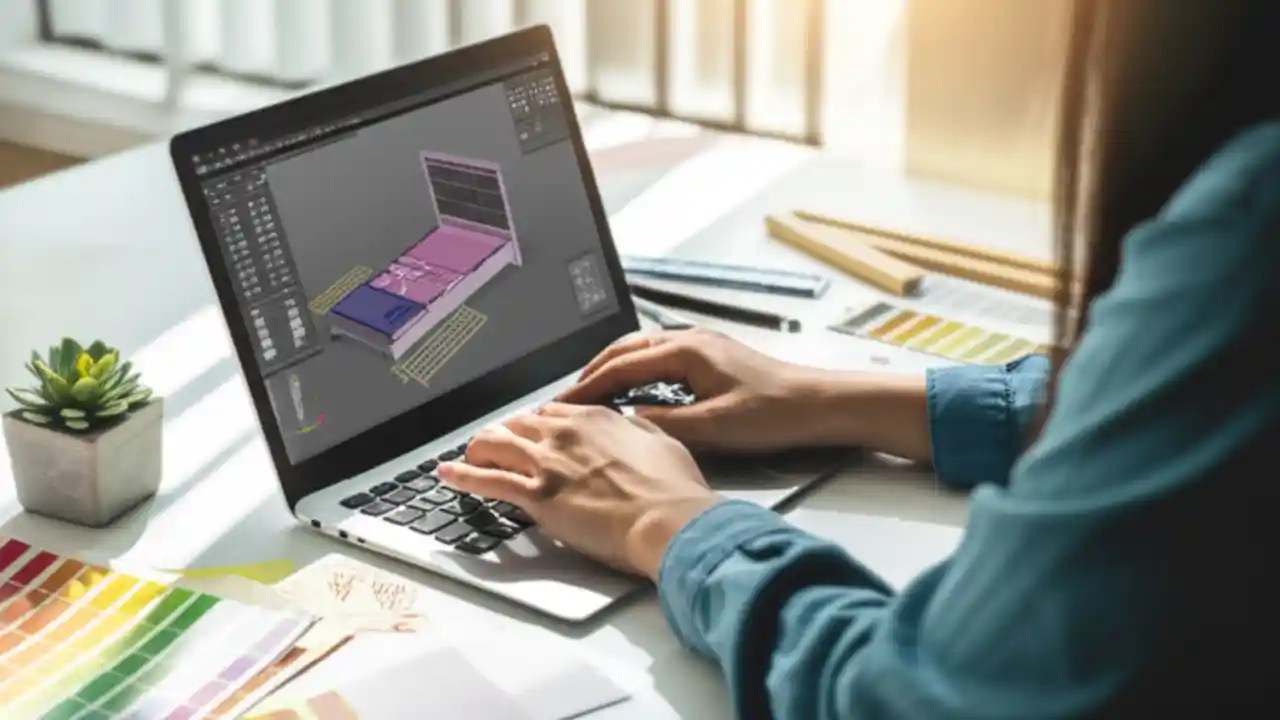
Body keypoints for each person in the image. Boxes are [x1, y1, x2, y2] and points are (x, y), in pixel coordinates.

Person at [438, 0, 1280, 716]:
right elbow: (1203, 410)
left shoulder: (1249, 225)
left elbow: (914, 696)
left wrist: (666, 522)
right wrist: (835, 399)